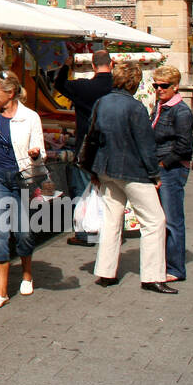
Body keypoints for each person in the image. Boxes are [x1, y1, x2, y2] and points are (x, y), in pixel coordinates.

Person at [90, 61, 175, 294]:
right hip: (131, 170)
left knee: (111, 219)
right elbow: (145, 145)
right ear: (134, 82)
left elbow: (92, 137)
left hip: (106, 169)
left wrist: (93, 170)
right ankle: (152, 276)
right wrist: (154, 174)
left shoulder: (102, 103)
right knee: (154, 220)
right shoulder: (135, 108)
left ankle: (106, 272)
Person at [0, 72, 46, 309]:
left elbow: (41, 149)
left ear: (10, 92)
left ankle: (27, 273)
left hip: (22, 178)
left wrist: (36, 154)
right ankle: (2, 292)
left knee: (23, 231)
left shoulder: (30, 117)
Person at [54, 49, 113, 247]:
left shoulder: (84, 87)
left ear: (94, 66)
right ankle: (110, 231)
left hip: (86, 145)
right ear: (111, 64)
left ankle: (85, 233)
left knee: (83, 188)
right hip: (111, 145)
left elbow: (59, 85)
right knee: (110, 191)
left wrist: (66, 66)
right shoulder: (116, 86)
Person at [151, 65, 193, 283]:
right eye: (156, 85)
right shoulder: (161, 107)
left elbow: (184, 146)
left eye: (163, 86)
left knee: (173, 219)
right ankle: (164, 262)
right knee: (161, 219)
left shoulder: (181, 111)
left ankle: (176, 268)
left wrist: (162, 165)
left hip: (172, 169)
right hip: (161, 167)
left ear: (176, 86)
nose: (159, 89)